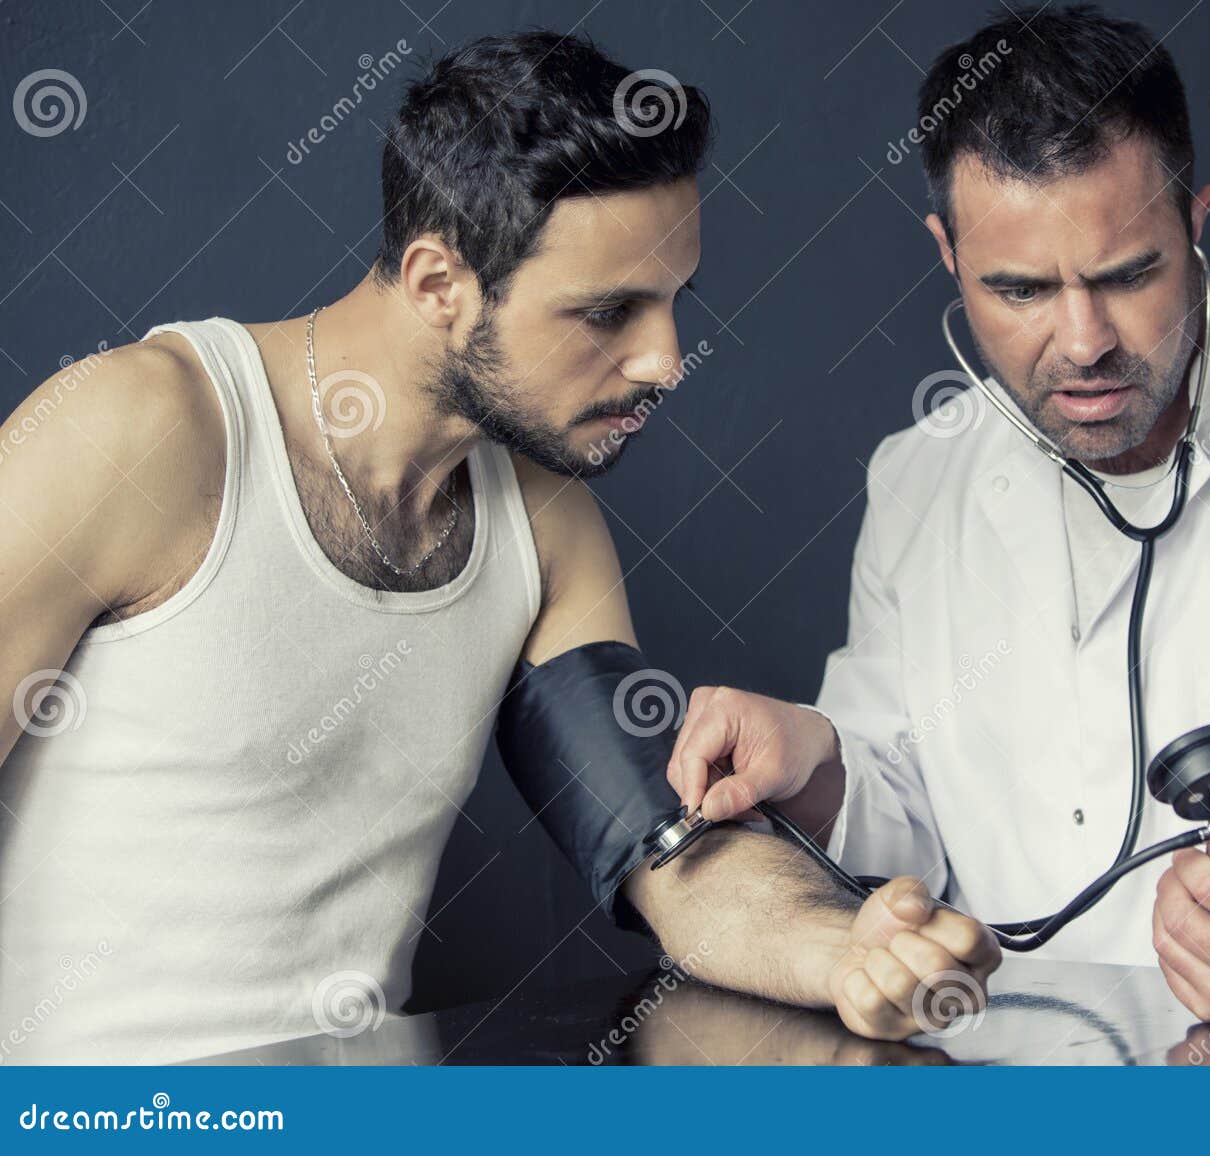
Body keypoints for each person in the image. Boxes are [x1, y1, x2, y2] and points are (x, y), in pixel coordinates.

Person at [0, 30, 998, 1063]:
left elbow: (667, 854)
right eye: (608, 312)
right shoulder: (137, 429)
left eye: (670, 306)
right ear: (440, 283)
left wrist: (849, 949)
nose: (663, 360)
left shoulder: (541, 518)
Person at [665, 4, 1210, 1023]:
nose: (1083, 340)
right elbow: (909, 819)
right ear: (946, 255)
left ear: (1194, 221)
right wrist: (820, 762)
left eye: (1127, 274)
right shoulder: (919, 475)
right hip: (1005, 1069)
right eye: (1019, 288)